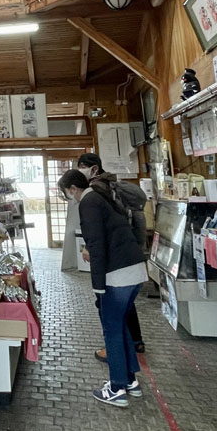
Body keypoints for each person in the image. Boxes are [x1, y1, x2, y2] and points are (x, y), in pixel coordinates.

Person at [60, 167, 146, 407]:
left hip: (116, 276)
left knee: (112, 329)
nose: (69, 197)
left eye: (67, 192)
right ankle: (130, 380)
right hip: (135, 270)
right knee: (120, 326)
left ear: (73, 189)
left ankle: (117, 387)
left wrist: (98, 287)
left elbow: (96, 245)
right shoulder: (102, 197)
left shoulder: (88, 203)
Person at [77, 153, 147, 359]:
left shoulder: (97, 189)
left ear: (94, 169)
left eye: (82, 166)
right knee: (124, 303)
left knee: (109, 305)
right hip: (128, 254)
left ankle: (116, 352)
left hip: (114, 256)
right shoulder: (111, 184)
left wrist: (91, 246)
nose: (80, 170)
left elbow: (101, 226)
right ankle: (135, 341)